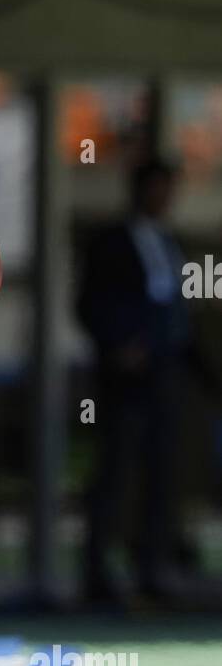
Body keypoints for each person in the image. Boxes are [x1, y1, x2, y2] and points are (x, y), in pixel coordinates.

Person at [77, 156, 216, 605]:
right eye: (158, 188)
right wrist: (120, 346)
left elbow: (179, 316)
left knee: (163, 471)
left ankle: (152, 567)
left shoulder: (171, 242)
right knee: (116, 471)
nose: (165, 198)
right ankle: (98, 572)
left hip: (166, 373)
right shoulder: (112, 243)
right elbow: (89, 302)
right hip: (126, 378)